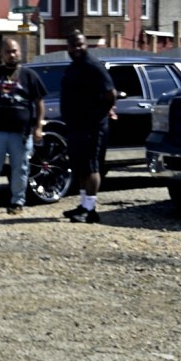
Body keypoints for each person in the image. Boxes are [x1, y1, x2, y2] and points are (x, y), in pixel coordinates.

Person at [0, 36, 46, 215]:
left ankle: (17, 202)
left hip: (21, 133)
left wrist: (38, 127)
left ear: (20, 52)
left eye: (14, 51)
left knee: (20, 168)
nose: (12, 55)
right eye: (8, 52)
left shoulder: (29, 76)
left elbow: (39, 103)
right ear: (1, 54)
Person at [57, 31, 117, 223]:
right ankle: (83, 205)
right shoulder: (74, 67)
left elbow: (110, 93)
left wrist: (100, 114)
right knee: (80, 166)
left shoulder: (93, 66)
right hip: (76, 126)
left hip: (92, 126)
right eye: (73, 46)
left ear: (86, 45)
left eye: (80, 45)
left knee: (91, 167)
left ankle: (91, 210)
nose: (76, 49)